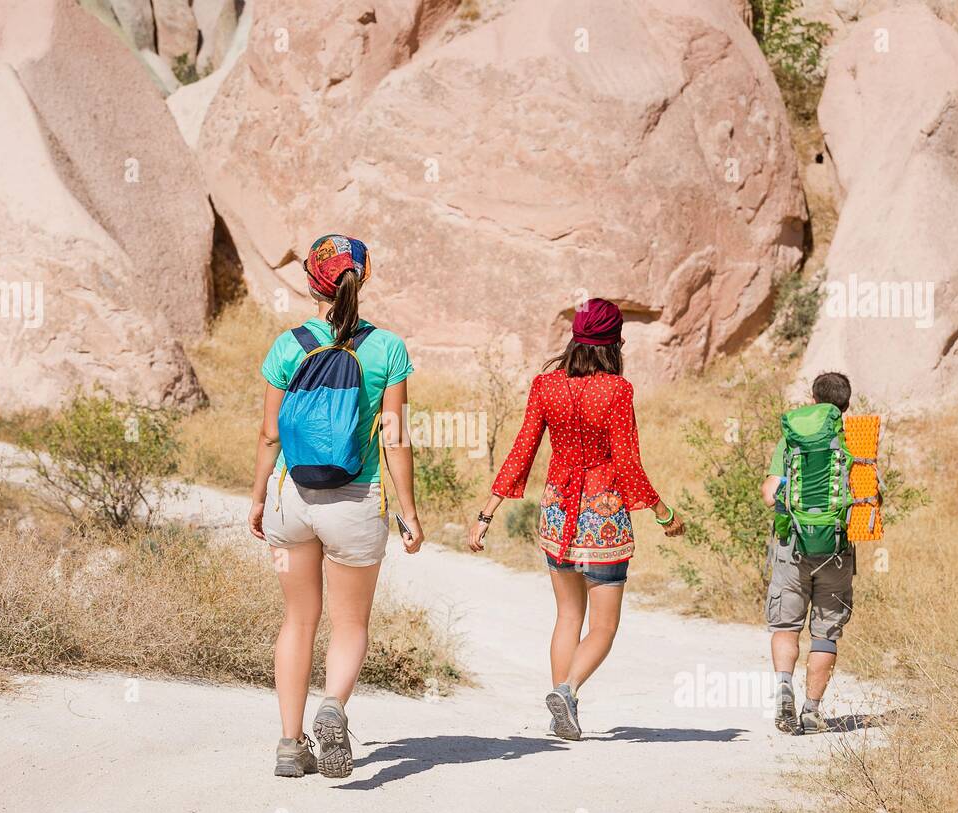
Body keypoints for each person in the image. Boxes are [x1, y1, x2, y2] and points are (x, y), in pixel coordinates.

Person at [468, 299, 684, 741]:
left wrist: (486, 514)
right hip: (603, 519)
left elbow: (521, 451)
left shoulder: (545, 385)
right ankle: (566, 692)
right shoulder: (618, 391)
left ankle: (560, 707)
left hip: (557, 513)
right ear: (615, 342)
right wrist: (664, 513)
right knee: (603, 626)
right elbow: (627, 464)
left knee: (567, 617)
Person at [249, 234, 423, 779]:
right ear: (362, 279)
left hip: (290, 504)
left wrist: (256, 498)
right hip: (354, 506)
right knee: (350, 623)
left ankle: (288, 743)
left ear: (311, 283)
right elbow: (394, 436)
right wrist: (410, 514)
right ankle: (334, 707)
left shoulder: (286, 345)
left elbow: (268, 434)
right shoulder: (387, 348)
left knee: (298, 619)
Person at [761, 371, 860, 735]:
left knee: (785, 626)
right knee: (824, 634)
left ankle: (784, 686)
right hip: (836, 550)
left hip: (792, 548)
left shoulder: (791, 438)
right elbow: (869, 499)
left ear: (814, 399)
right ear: (845, 405)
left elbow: (770, 494)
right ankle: (812, 711)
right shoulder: (853, 438)